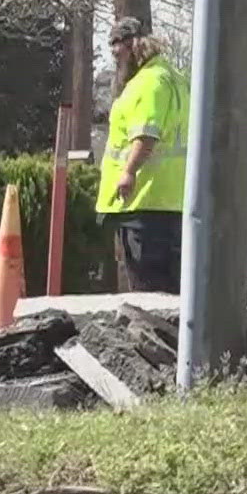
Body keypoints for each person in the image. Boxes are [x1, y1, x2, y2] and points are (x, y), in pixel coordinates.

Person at [98, 17, 190, 293]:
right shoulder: (175, 78)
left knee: (148, 291)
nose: (116, 62)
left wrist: (128, 172)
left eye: (117, 54)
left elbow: (146, 134)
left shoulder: (148, 82)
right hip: (171, 200)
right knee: (170, 288)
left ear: (131, 47)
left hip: (143, 199)